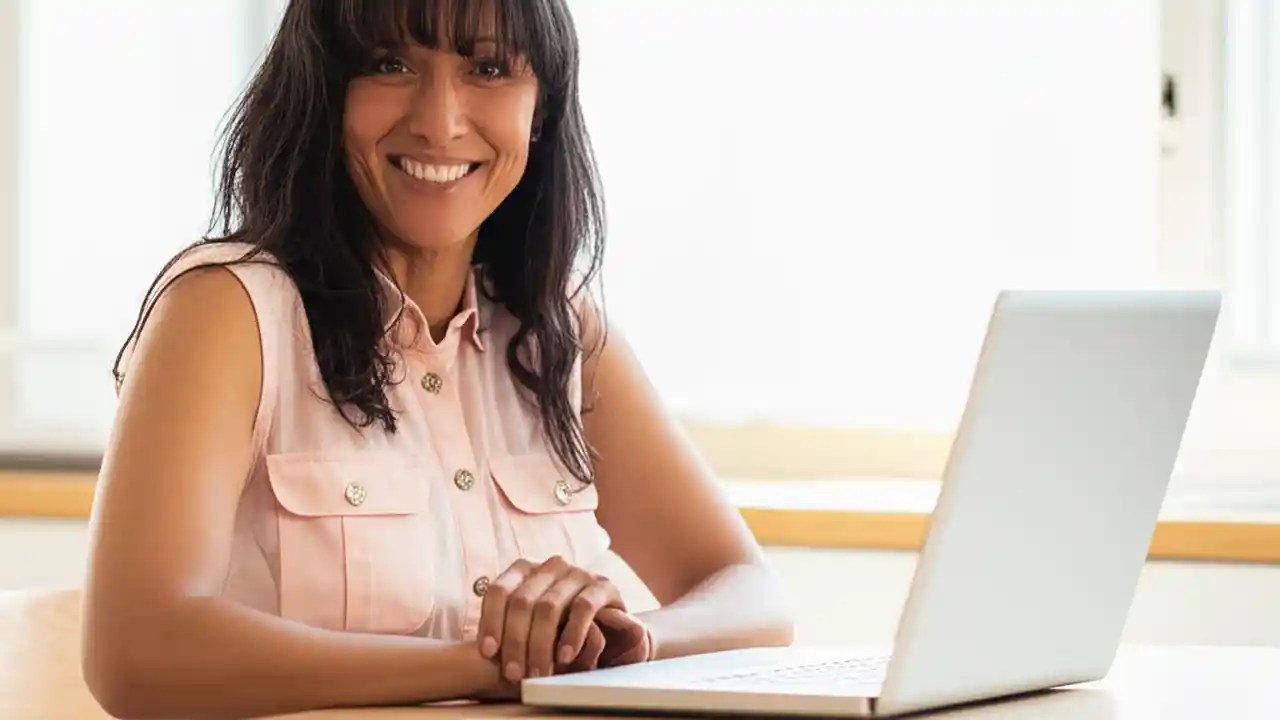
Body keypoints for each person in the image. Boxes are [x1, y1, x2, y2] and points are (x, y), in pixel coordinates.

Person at [80, 0, 793, 717]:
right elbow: (139, 650)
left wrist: (620, 644)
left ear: (540, 108)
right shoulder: (227, 311)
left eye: (487, 69)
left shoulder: (557, 328)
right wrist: (491, 664)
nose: (440, 120)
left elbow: (750, 596)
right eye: (389, 64)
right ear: (324, 88)